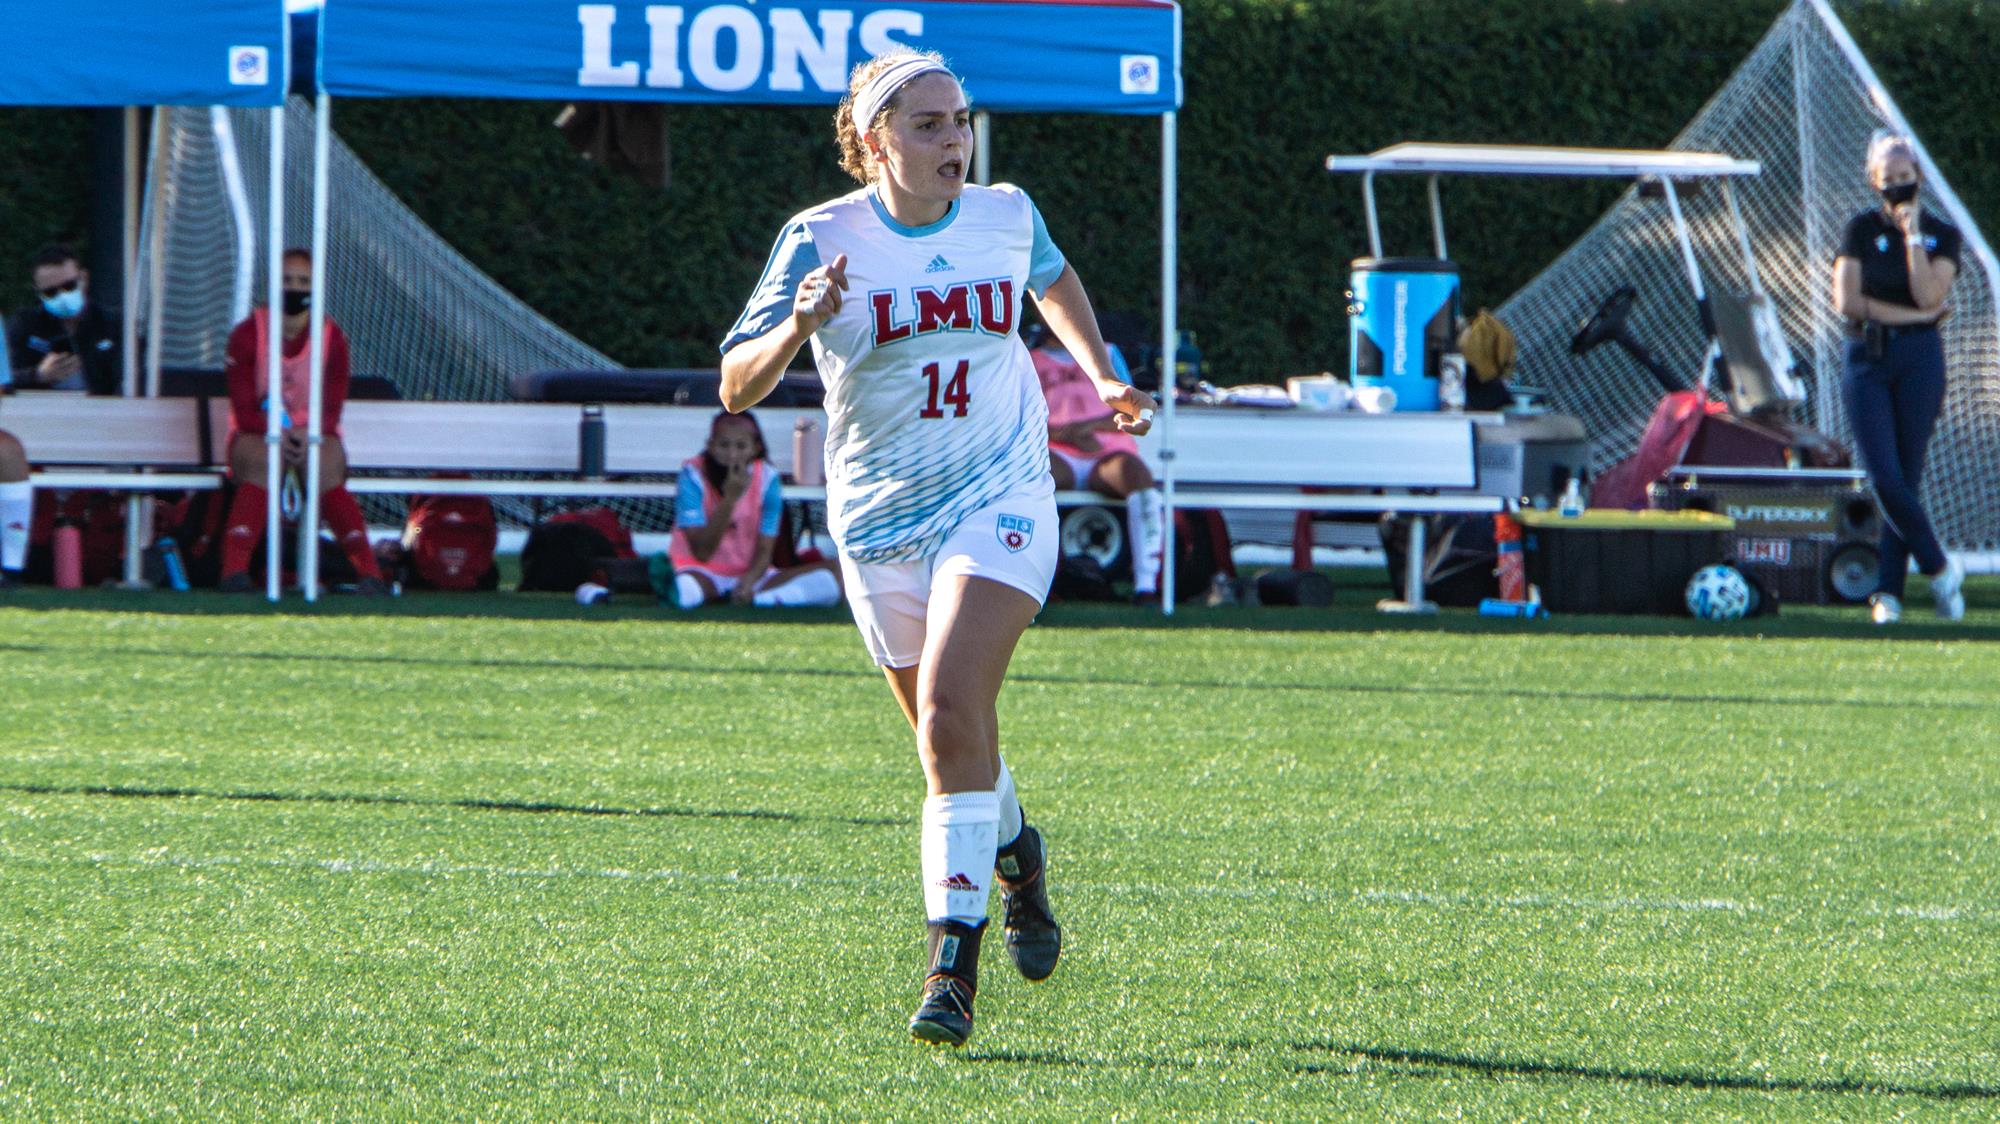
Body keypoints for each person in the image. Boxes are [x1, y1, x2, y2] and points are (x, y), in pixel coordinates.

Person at [718, 49, 1155, 1047]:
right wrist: (797, 325)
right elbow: (736, 387)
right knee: (948, 739)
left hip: (1000, 493)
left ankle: (949, 965)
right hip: (877, 520)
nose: (954, 140)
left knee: (955, 709)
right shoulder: (821, 238)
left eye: (959, 120)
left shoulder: (1005, 215)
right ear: (875, 143)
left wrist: (1103, 374)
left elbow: (1052, 277)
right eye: (927, 124)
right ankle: (1019, 858)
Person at [1831, 131, 1964, 623]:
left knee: (1906, 477)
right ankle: (1939, 567)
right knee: (1883, 477)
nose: (1897, 186)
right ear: (1874, 181)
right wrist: (1912, 317)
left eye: (1905, 177)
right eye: (1888, 179)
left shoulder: (1942, 235)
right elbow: (1847, 301)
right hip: (1867, 355)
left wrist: (1911, 238)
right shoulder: (1860, 230)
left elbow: (1929, 294)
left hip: (1919, 360)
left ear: (1919, 177)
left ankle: (1888, 593)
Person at [217, 248, 387, 594]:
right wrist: (278, 433)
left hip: (313, 434)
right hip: (257, 433)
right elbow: (244, 411)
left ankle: (369, 572)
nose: (294, 288)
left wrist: (305, 433)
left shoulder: (332, 338)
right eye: (286, 280)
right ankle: (234, 570)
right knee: (265, 458)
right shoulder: (247, 334)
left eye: (303, 281)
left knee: (323, 462)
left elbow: (331, 411)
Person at [1030, 326, 1165, 601]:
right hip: (1055, 450)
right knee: (1031, 480)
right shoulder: (1029, 358)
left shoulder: (1108, 353)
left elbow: (1131, 406)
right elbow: (1018, 412)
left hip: (1106, 451)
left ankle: (1146, 585)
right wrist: (1063, 434)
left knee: (1139, 478)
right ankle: (1042, 581)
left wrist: (1088, 428)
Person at [665, 411, 842, 609]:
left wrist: (748, 581)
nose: (732, 454)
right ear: (711, 445)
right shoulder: (693, 474)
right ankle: (753, 598)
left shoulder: (768, 478)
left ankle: (760, 600)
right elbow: (702, 552)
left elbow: (765, 547)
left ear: (755, 448)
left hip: (752, 573)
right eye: (724, 445)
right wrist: (730, 499)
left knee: (836, 575)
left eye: (741, 446)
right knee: (685, 590)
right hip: (701, 571)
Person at [6, 244, 123, 395]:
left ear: (84, 278)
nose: (62, 296)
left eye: (69, 286)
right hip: (41, 407)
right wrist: (38, 375)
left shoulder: (112, 324)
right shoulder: (25, 324)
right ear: (38, 292)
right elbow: (4, 377)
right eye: (50, 292)